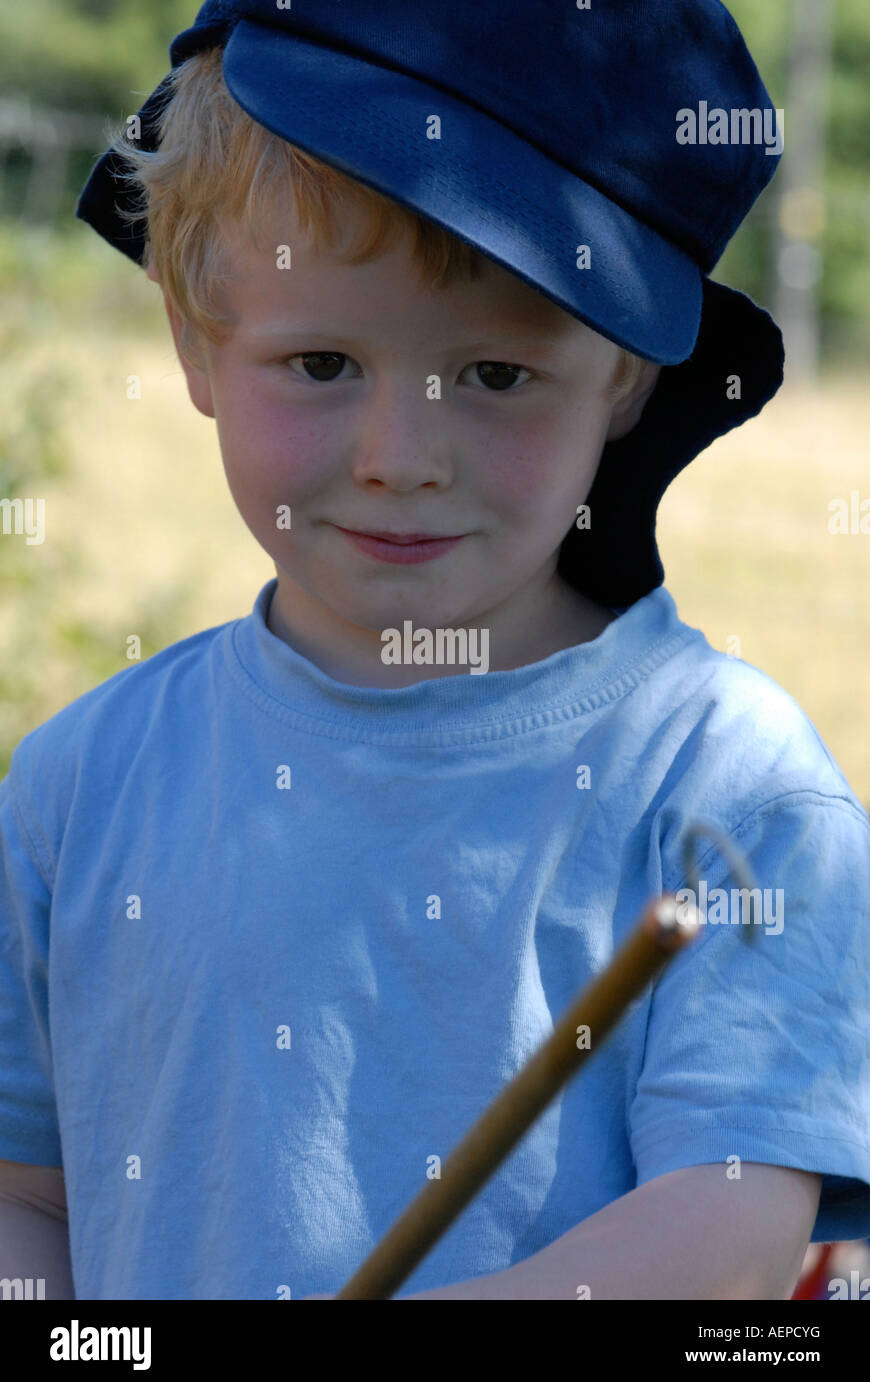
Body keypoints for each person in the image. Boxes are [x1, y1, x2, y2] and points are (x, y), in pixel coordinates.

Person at [1, 0, 868, 1301]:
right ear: (194, 336)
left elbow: (732, 1230)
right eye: (322, 360)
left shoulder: (726, 793)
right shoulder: (80, 786)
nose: (400, 458)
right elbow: (28, 1194)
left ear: (623, 375)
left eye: (496, 376)